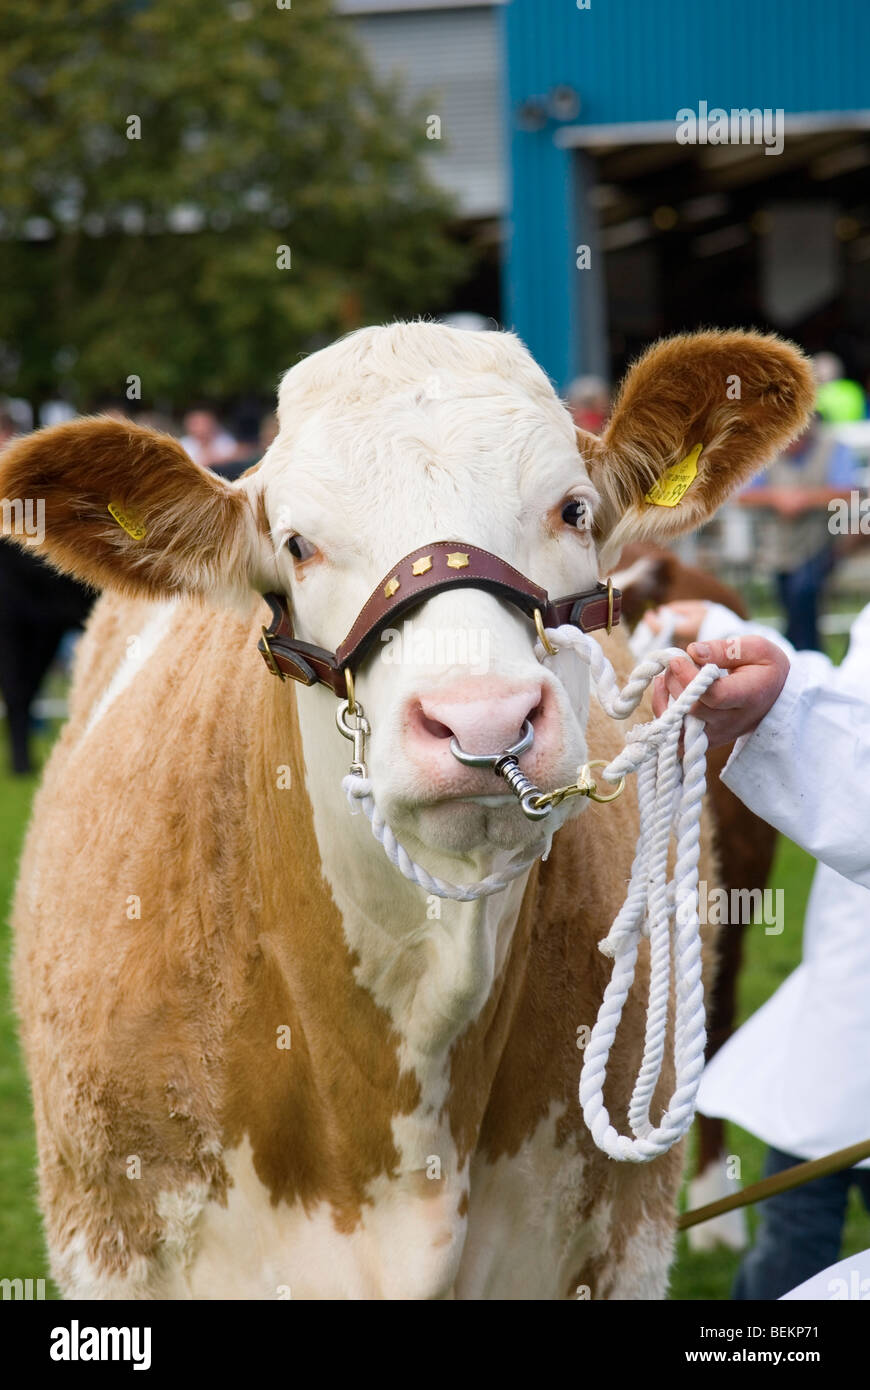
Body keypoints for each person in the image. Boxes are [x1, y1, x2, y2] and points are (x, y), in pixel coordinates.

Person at [645, 598, 870, 1299]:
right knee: (792, 1217)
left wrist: (780, 709)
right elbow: (850, 710)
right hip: (839, 992)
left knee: (794, 1233)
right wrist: (729, 643)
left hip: (846, 995)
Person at [737, 415, 857, 650]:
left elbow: (848, 491)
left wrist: (805, 499)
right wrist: (777, 498)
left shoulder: (833, 448)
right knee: (790, 604)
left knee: (803, 594)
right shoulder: (765, 451)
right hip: (777, 549)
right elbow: (743, 495)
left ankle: (801, 654)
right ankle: (801, 654)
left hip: (821, 543)